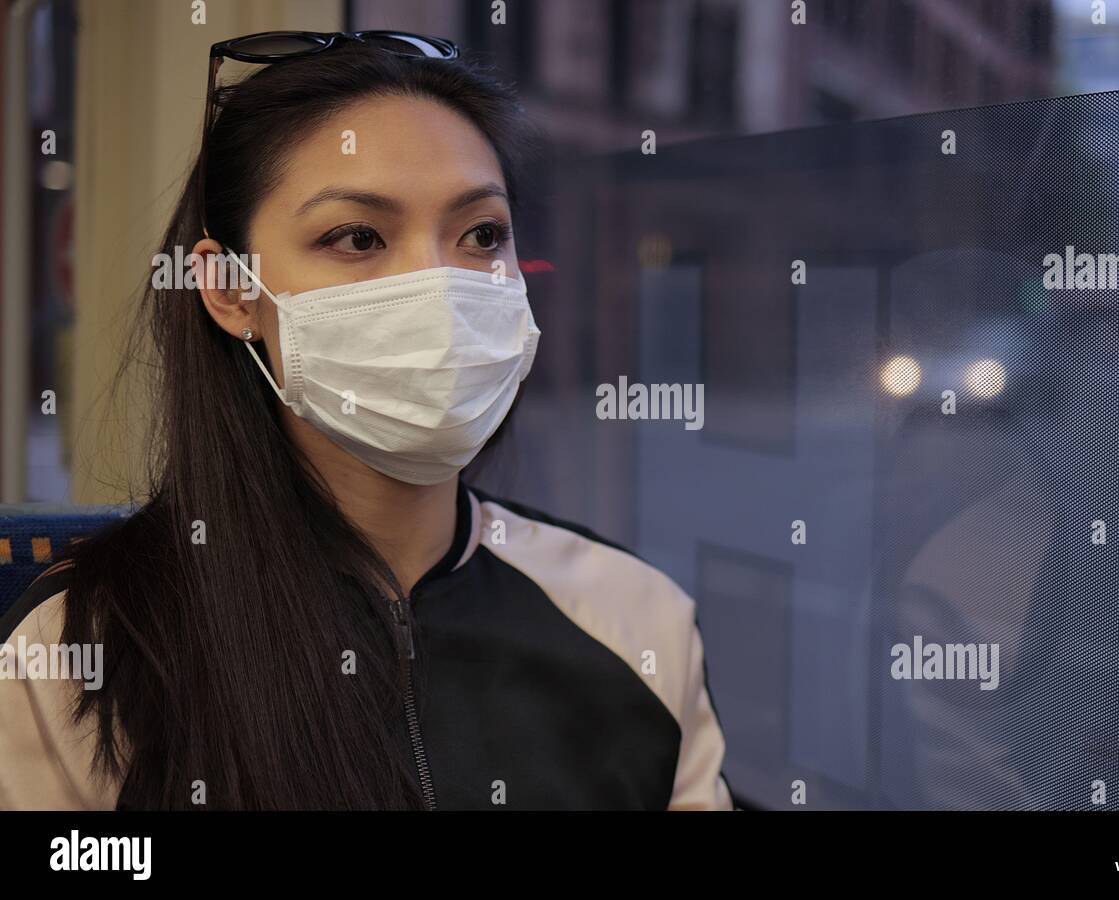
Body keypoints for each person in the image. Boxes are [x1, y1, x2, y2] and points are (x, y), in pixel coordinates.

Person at [0, 32, 733, 811]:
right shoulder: (81, 650)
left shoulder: (636, 617)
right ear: (229, 290)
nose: (439, 291)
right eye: (357, 237)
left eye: (482, 234)